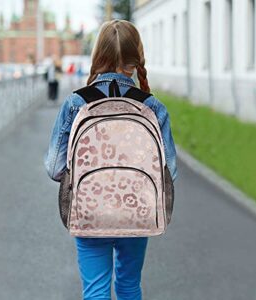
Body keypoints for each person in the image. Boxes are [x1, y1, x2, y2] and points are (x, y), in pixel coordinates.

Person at [44, 19, 178, 300]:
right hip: (137, 213)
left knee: (95, 291)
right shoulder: (152, 106)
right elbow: (170, 172)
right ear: (137, 58)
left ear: (97, 55)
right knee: (129, 287)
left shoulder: (76, 103)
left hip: (90, 212)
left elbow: (54, 167)